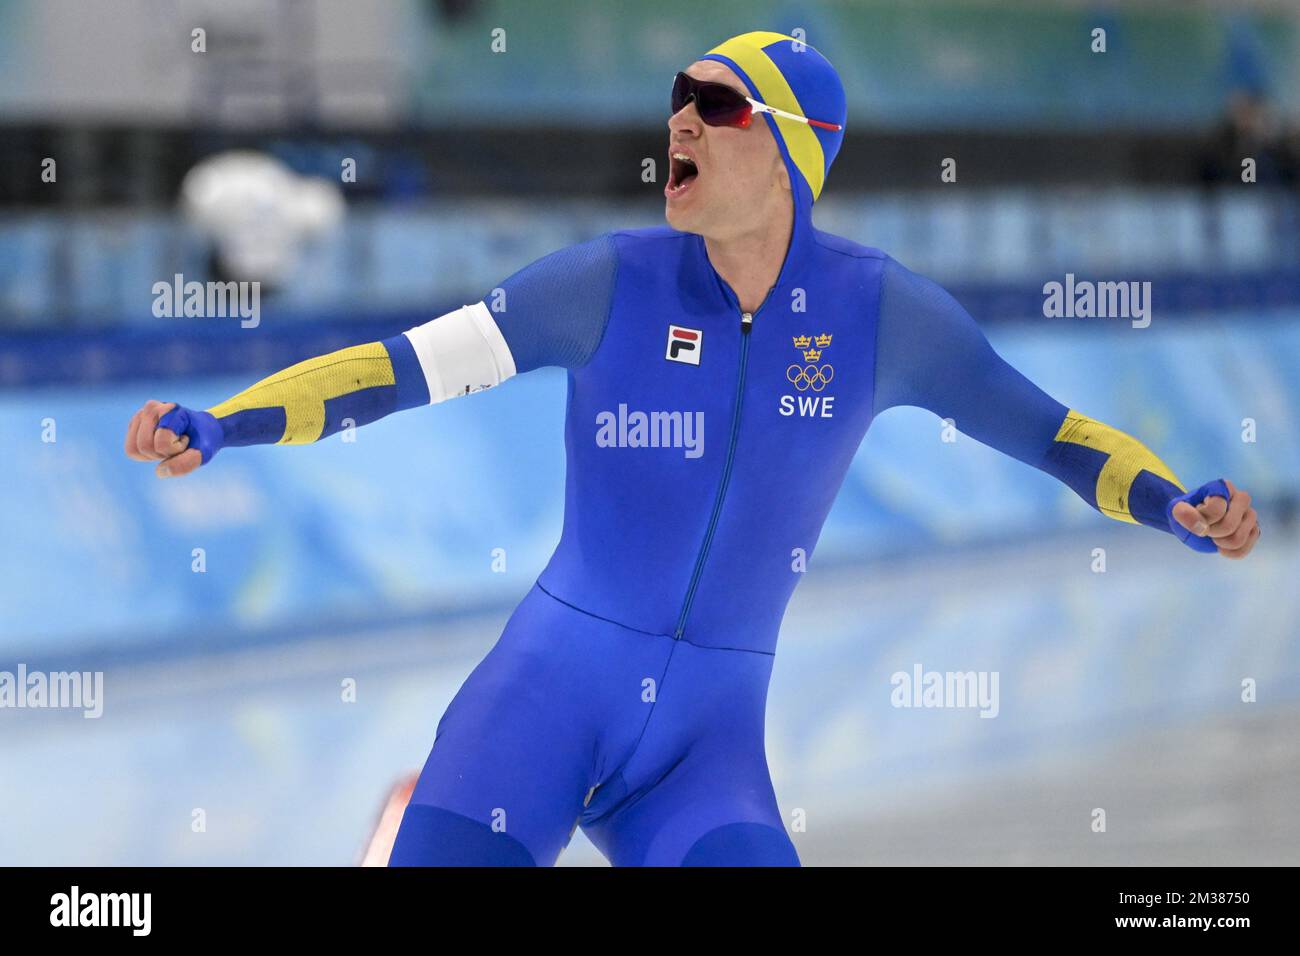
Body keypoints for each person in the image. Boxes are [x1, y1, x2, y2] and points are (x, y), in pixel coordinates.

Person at [124, 32, 1260, 866]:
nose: (677, 121)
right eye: (678, 99)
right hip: (541, 702)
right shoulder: (601, 284)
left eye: (716, 107)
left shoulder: (881, 316)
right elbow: (391, 368)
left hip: (703, 756)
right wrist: (223, 424)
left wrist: (1172, 504)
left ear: (793, 153)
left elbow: (1053, 435)